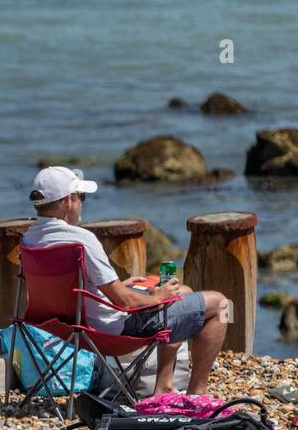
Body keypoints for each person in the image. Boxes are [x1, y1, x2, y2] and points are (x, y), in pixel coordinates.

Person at [20, 166, 229, 394]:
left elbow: (67, 290)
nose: (82, 203)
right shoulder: (80, 240)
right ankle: (198, 393)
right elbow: (125, 303)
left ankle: (164, 385)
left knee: (184, 291)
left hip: (67, 329)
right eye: (81, 197)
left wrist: (117, 287)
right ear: (68, 201)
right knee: (220, 304)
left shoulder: (29, 240)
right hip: (112, 332)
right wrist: (157, 296)